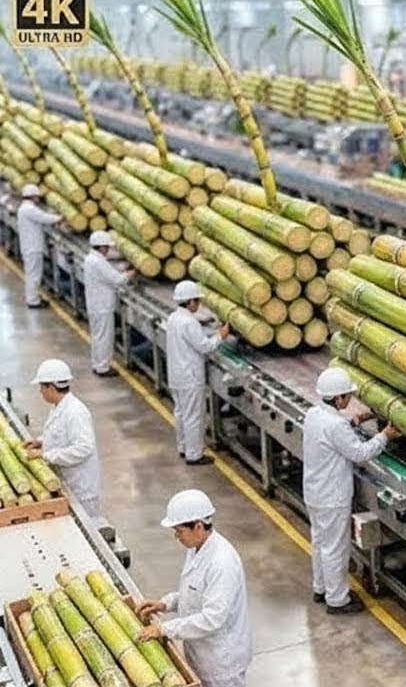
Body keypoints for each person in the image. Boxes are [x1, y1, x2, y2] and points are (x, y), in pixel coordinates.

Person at [302, 367, 400, 615]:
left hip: (314, 492)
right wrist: (384, 436)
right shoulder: (336, 425)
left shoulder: (314, 414)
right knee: (336, 548)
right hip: (332, 497)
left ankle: (321, 588)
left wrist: (356, 420)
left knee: (320, 542)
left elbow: (332, 432)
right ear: (338, 398)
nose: (350, 399)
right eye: (347, 395)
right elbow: (359, 453)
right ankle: (337, 601)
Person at [137, 489, 252, 687]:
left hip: (221, 662)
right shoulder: (197, 547)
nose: (176, 536)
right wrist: (165, 604)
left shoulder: (222, 563)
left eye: (179, 531)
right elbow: (194, 592)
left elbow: (212, 618)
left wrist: (164, 629)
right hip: (201, 653)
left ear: (198, 526)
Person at [23, 359, 103, 524]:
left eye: (42, 387)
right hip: (68, 483)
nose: (40, 391)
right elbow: (59, 433)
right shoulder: (59, 406)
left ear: (51, 387)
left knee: (88, 526)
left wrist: (45, 455)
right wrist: (40, 441)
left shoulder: (75, 412)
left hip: (81, 489)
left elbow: (83, 448)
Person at [165, 281, 230, 465]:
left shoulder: (173, 318)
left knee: (181, 413)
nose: (199, 304)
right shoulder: (189, 322)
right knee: (194, 416)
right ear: (190, 302)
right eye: (197, 301)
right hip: (190, 378)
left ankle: (183, 447)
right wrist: (221, 335)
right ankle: (194, 455)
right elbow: (205, 346)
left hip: (176, 376)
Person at [83, 231, 135, 377]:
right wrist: (131, 273)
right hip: (102, 306)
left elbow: (108, 272)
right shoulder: (98, 262)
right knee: (105, 337)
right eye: (106, 247)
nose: (108, 250)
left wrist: (123, 268)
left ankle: (97, 364)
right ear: (101, 247)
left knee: (97, 336)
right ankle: (103, 368)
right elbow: (118, 280)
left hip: (95, 304)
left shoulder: (91, 259)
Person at [16, 184, 63, 308]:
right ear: (32, 196)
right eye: (37, 196)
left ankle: (34, 297)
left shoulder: (24, 208)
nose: (38, 199)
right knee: (34, 275)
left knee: (32, 274)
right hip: (33, 248)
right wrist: (60, 218)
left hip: (30, 246)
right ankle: (33, 301)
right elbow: (44, 218)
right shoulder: (29, 209)